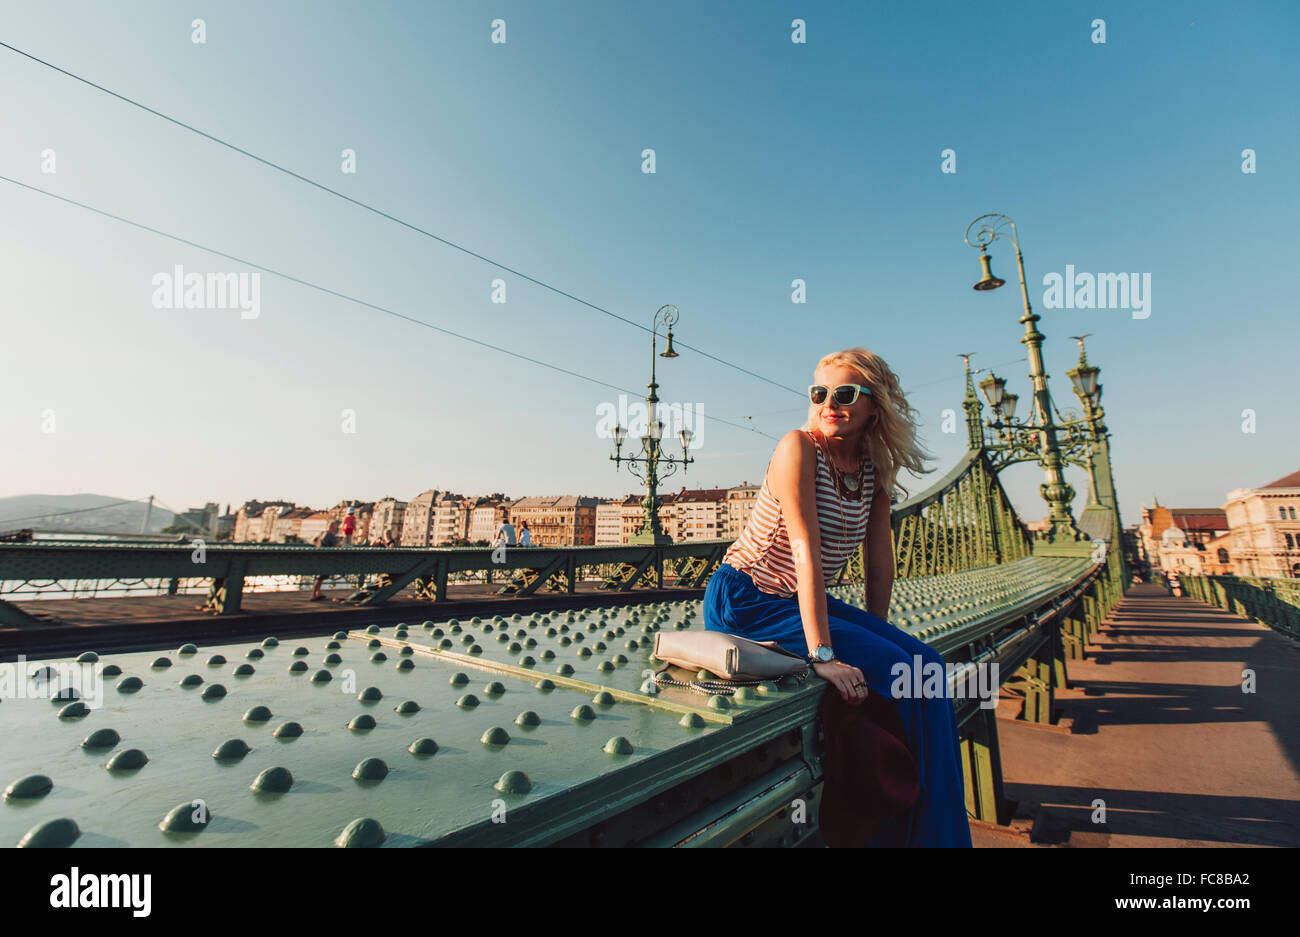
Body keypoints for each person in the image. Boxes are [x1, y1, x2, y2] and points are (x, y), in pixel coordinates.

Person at [703, 347, 971, 848]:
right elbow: (804, 548)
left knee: (926, 670)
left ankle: (938, 836)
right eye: (819, 392)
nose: (829, 402)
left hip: (798, 601)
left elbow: (879, 563)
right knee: (910, 680)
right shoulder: (798, 447)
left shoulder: (874, 469)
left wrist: (882, 634)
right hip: (746, 598)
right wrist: (823, 655)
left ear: (876, 405)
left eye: (845, 393)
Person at [310, 520, 341, 601]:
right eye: (335, 527)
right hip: (325, 558)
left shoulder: (323, 533)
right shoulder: (330, 535)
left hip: (319, 556)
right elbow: (336, 545)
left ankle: (317, 593)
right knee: (320, 576)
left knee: (321, 576)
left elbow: (314, 541)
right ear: (333, 527)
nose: (336, 528)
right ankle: (314, 594)